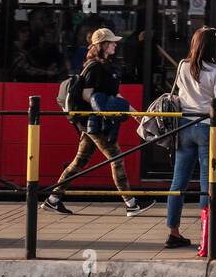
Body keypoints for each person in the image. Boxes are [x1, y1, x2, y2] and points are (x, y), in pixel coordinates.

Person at [44, 28, 154, 219]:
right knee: (116, 158)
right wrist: (105, 109)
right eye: (111, 42)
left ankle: (53, 200)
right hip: (95, 123)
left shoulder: (106, 66)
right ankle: (132, 204)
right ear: (102, 45)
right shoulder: (95, 67)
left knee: (80, 161)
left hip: (94, 123)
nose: (115, 44)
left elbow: (114, 95)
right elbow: (88, 95)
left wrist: (137, 114)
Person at [163, 27, 216, 249]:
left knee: (178, 181)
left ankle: (173, 232)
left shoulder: (183, 65)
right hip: (207, 129)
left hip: (185, 126)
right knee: (207, 183)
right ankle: (206, 234)